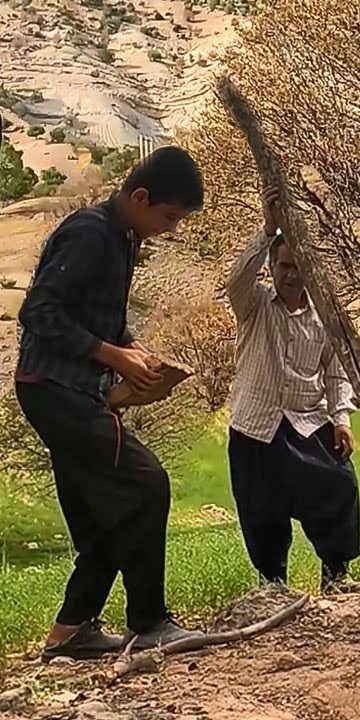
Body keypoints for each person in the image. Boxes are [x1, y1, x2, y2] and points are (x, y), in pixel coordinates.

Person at [15, 146, 206, 660]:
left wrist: (133, 349)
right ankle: (148, 622)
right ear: (139, 196)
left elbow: (98, 316)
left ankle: (71, 631)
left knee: (103, 508)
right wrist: (112, 357)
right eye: (168, 216)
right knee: (146, 484)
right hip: (57, 387)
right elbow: (38, 313)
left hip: (66, 389)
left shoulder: (122, 238)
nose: (170, 228)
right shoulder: (90, 233)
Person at [224, 186, 360, 594]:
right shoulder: (254, 305)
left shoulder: (326, 317)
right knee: (260, 510)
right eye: (283, 265)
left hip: (306, 421)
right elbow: (237, 279)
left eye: (298, 267)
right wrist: (268, 230)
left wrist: (342, 419)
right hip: (255, 424)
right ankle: (272, 585)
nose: (290, 275)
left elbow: (337, 373)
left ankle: (336, 575)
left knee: (339, 487)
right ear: (272, 264)